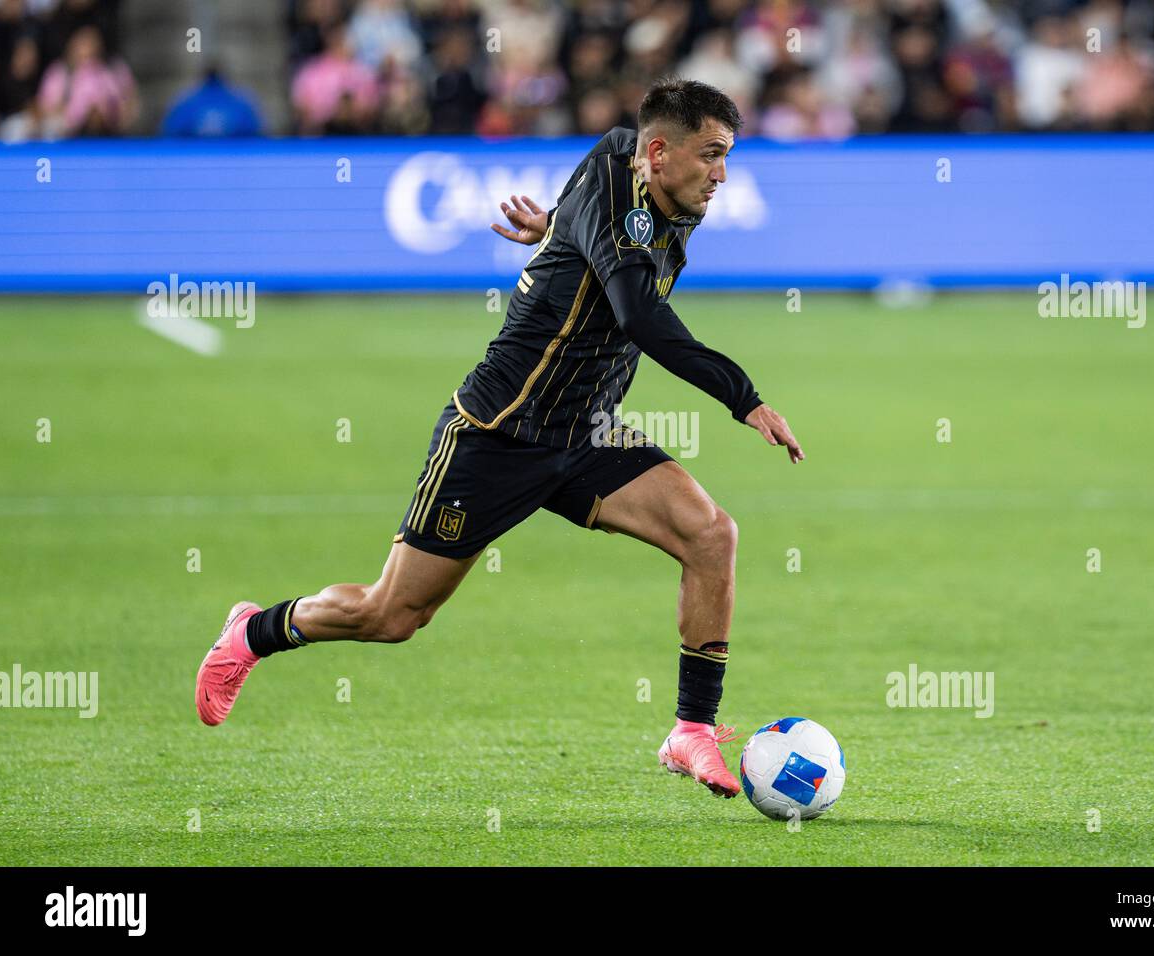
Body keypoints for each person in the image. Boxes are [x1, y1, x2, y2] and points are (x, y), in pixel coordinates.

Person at [194, 77, 803, 799]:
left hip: (584, 431)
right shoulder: (628, 192)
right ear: (661, 151)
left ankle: (690, 732)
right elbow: (641, 317)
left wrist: (554, 223)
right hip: (497, 432)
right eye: (712, 155)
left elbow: (594, 185)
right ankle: (252, 631)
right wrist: (743, 397)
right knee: (393, 616)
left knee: (711, 536)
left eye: (728, 156)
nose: (722, 176)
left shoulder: (638, 165)